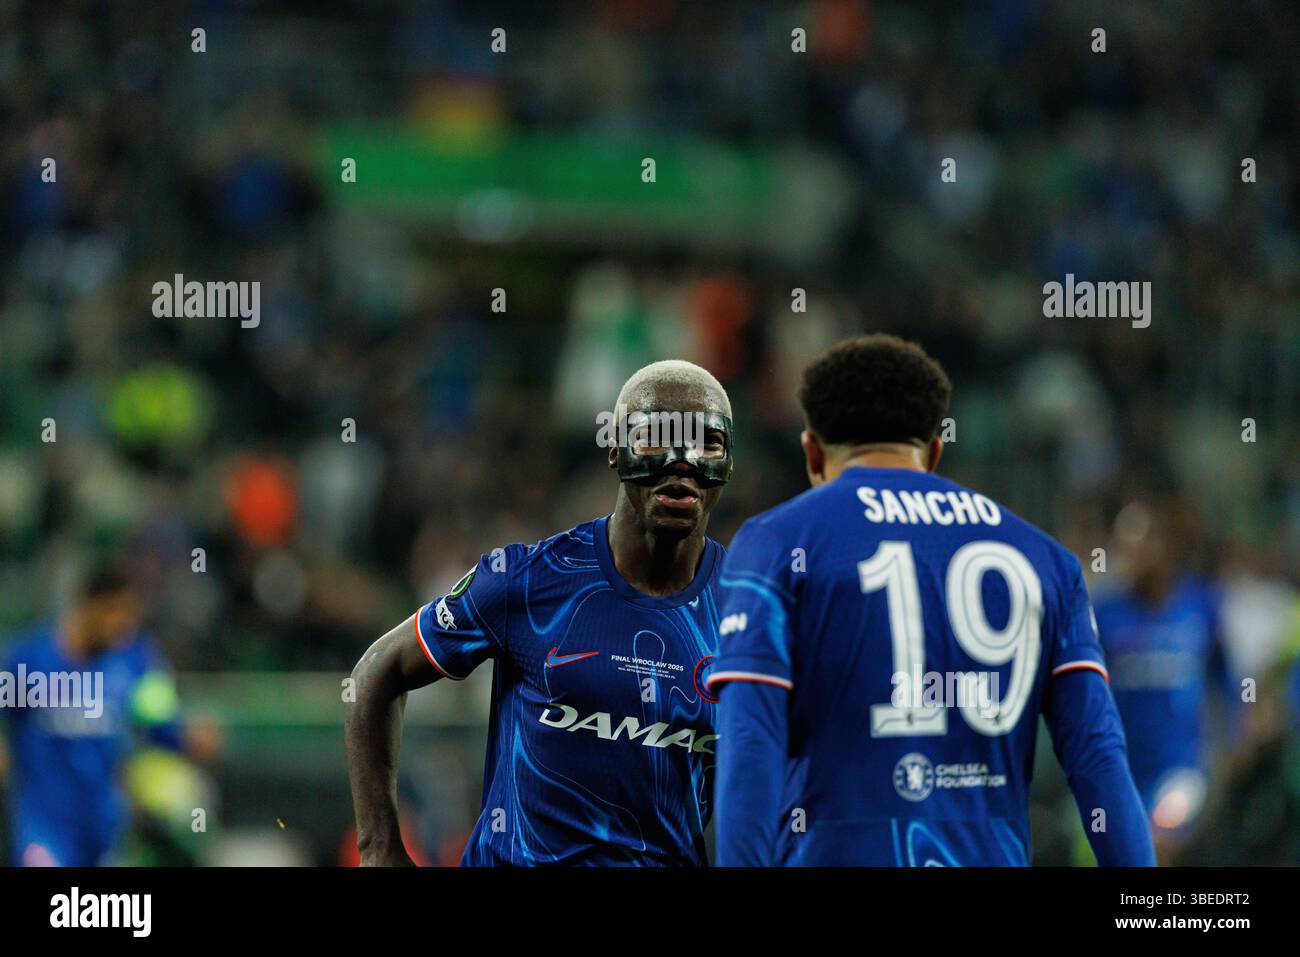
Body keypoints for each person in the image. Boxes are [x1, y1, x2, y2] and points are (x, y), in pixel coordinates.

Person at [709, 334, 1154, 866]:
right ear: (935, 452)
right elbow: (1098, 756)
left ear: (811, 452)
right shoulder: (1046, 560)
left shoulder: (775, 543)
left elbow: (750, 745)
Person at [345, 360, 733, 866]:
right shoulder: (527, 580)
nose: (682, 461)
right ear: (615, 450)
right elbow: (377, 674)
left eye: (706, 442)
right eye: (658, 437)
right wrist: (380, 850)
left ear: (729, 462)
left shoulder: (750, 610)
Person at [1, 563, 196, 866]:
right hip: (45, 825)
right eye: (114, 611)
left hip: (105, 826)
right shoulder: (29, 659)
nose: (122, 624)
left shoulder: (136, 661)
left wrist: (190, 737)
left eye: (130, 615)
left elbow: (166, 728)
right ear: (88, 605)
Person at [1093, 499, 1234, 860]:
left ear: (1163, 547)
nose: (1130, 555)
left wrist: (1233, 735)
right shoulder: (1103, 614)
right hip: (1119, 770)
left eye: (1140, 543)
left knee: (1161, 845)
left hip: (1179, 766)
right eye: (1123, 545)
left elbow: (1226, 678)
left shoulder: (1200, 605)